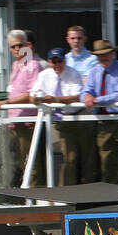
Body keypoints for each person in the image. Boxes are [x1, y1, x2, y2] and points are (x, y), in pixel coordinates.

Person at [0, 30, 45, 184]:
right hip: (15, 121)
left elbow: (30, 94)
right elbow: (13, 91)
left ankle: (35, 201)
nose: (16, 49)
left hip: (28, 122)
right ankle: (26, 199)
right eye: (12, 47)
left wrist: (6, 103)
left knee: (32, 164)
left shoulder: (34, 64)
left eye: (19, 45)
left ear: (27, 45)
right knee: (20, 163)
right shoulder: (16, 65)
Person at [80, 39, 118, 183]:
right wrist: (87, 96)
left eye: (105, 54)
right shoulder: (94, 71)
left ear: (112, 54)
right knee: (107, 159)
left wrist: (96, 100)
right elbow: (86, 90)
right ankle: (113, 195)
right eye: (100, 55)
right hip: (104, 120)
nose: (103, 58)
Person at [31, 48, 88, 185]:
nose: (57, 64)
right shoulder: (44, 75)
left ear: (65, 60)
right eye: (53, 61)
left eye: (59, 61)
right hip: (56, 121)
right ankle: (61, 192)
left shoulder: (73, 73)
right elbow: (33, 94)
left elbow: (77, 96)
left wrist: (56, 99)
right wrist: (37, 99)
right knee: (64, 157)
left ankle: (77, 191)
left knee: (80, 158)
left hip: (76, 118)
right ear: (49, 62)